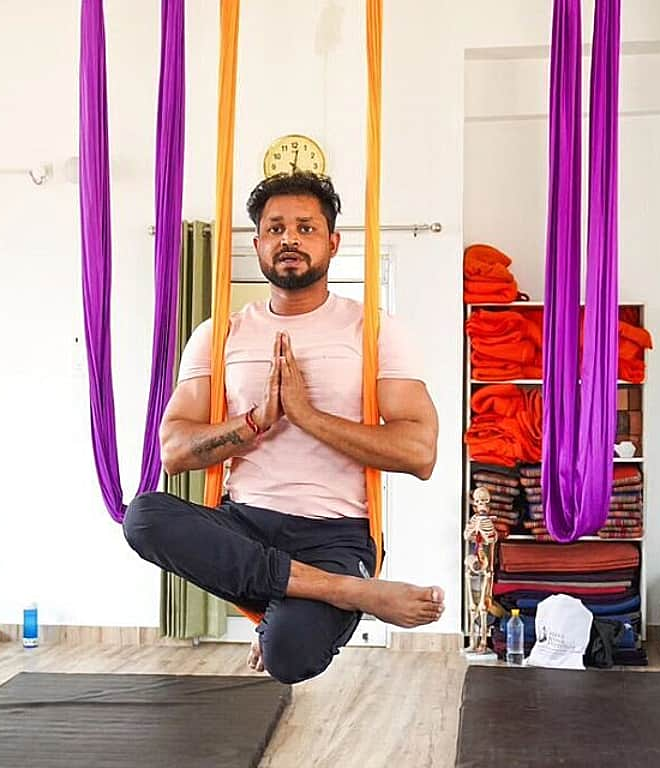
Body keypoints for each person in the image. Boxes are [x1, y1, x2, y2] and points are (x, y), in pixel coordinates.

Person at [123, 172, 444, 684]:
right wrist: (256, 423)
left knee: (288, 657)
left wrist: (308, 416)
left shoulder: (375, 331)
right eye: (275, 228)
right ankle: (349, 592)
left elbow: (420, 452)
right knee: (141, 517)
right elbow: (174, 450)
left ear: (332, 242)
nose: (289, 239)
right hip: (245, 528)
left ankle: (306, 589)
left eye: (305, 227)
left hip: (335, 533)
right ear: (257, 245)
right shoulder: (220, 335)